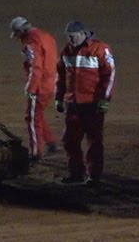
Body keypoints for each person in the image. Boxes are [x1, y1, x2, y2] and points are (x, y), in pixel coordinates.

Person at [55, 21, 115, 185]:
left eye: (72, 36)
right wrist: (59, 97)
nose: (70, 40)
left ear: (82, 34)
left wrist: (104, 99)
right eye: (68, 37)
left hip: (92, 104)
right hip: (72, 103)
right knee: (69, 140)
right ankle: (76, 174)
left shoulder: (100, 49)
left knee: (93, 141)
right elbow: (61, 76)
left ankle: (93, 176)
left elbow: (109, 75)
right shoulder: (67, 51)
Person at [10, 16, 59, 160]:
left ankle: (36, 152)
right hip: (52, 82)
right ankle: (50, 142)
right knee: (38, 113)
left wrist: (31, 89)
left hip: (40, 86)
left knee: (32, 118)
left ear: (21, 31)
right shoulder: (47, 36)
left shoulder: (31, 42)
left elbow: (36, 68)